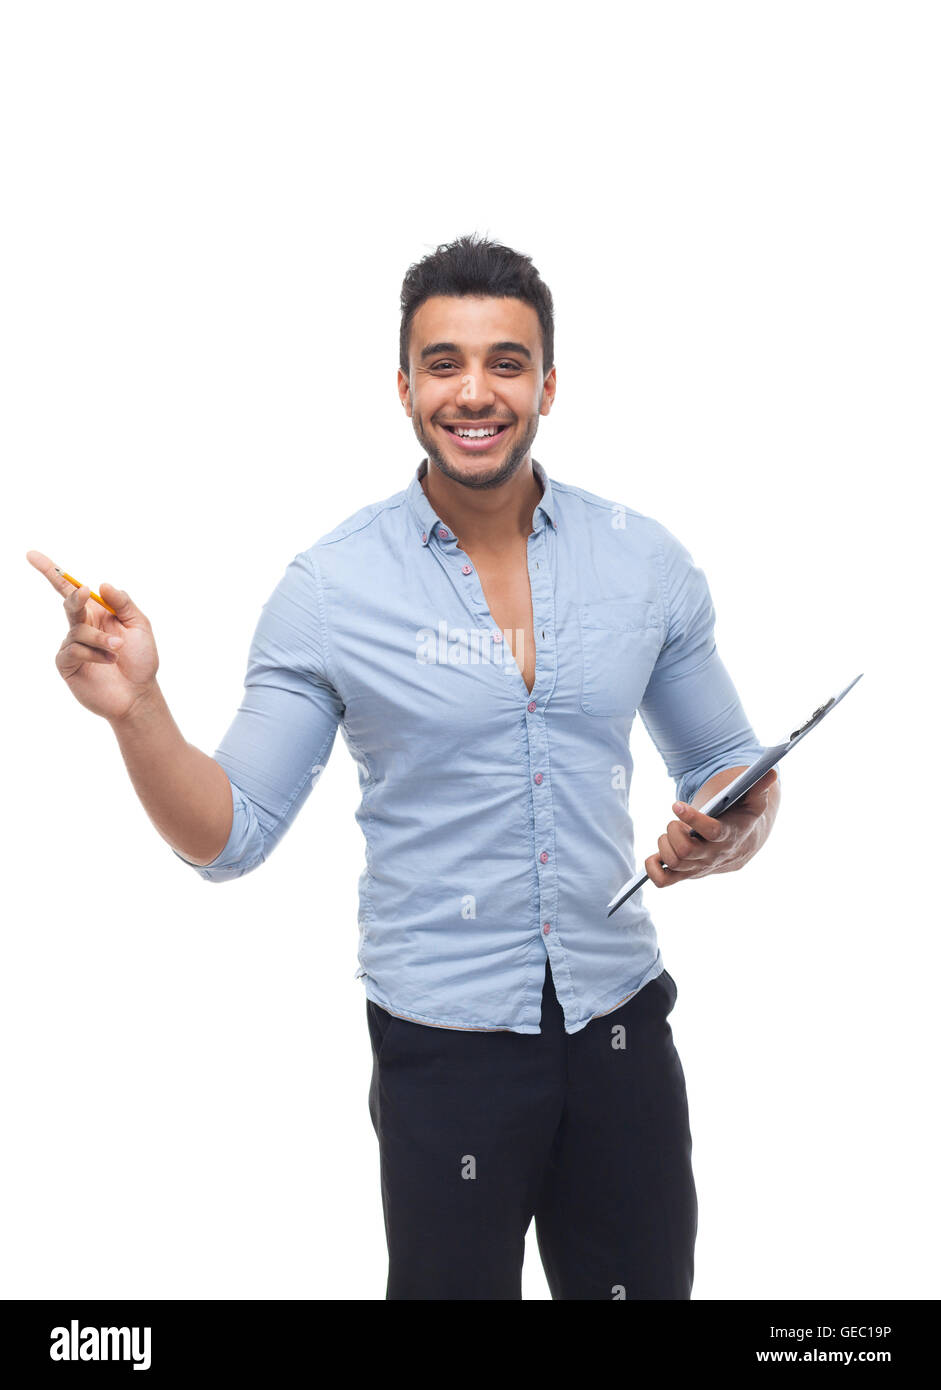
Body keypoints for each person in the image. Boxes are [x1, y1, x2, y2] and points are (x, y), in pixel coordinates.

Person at [27, 233, 781, 1300]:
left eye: (505, 363)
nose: (474, 392)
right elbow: (227, 833)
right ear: (403, 387)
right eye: (443, 363)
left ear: (548, 385)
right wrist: (138, 707)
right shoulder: (330, 590)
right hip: (445, 1049)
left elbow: (727, 766)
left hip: (620, 1029)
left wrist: (731, 827)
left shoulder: (643, 562)